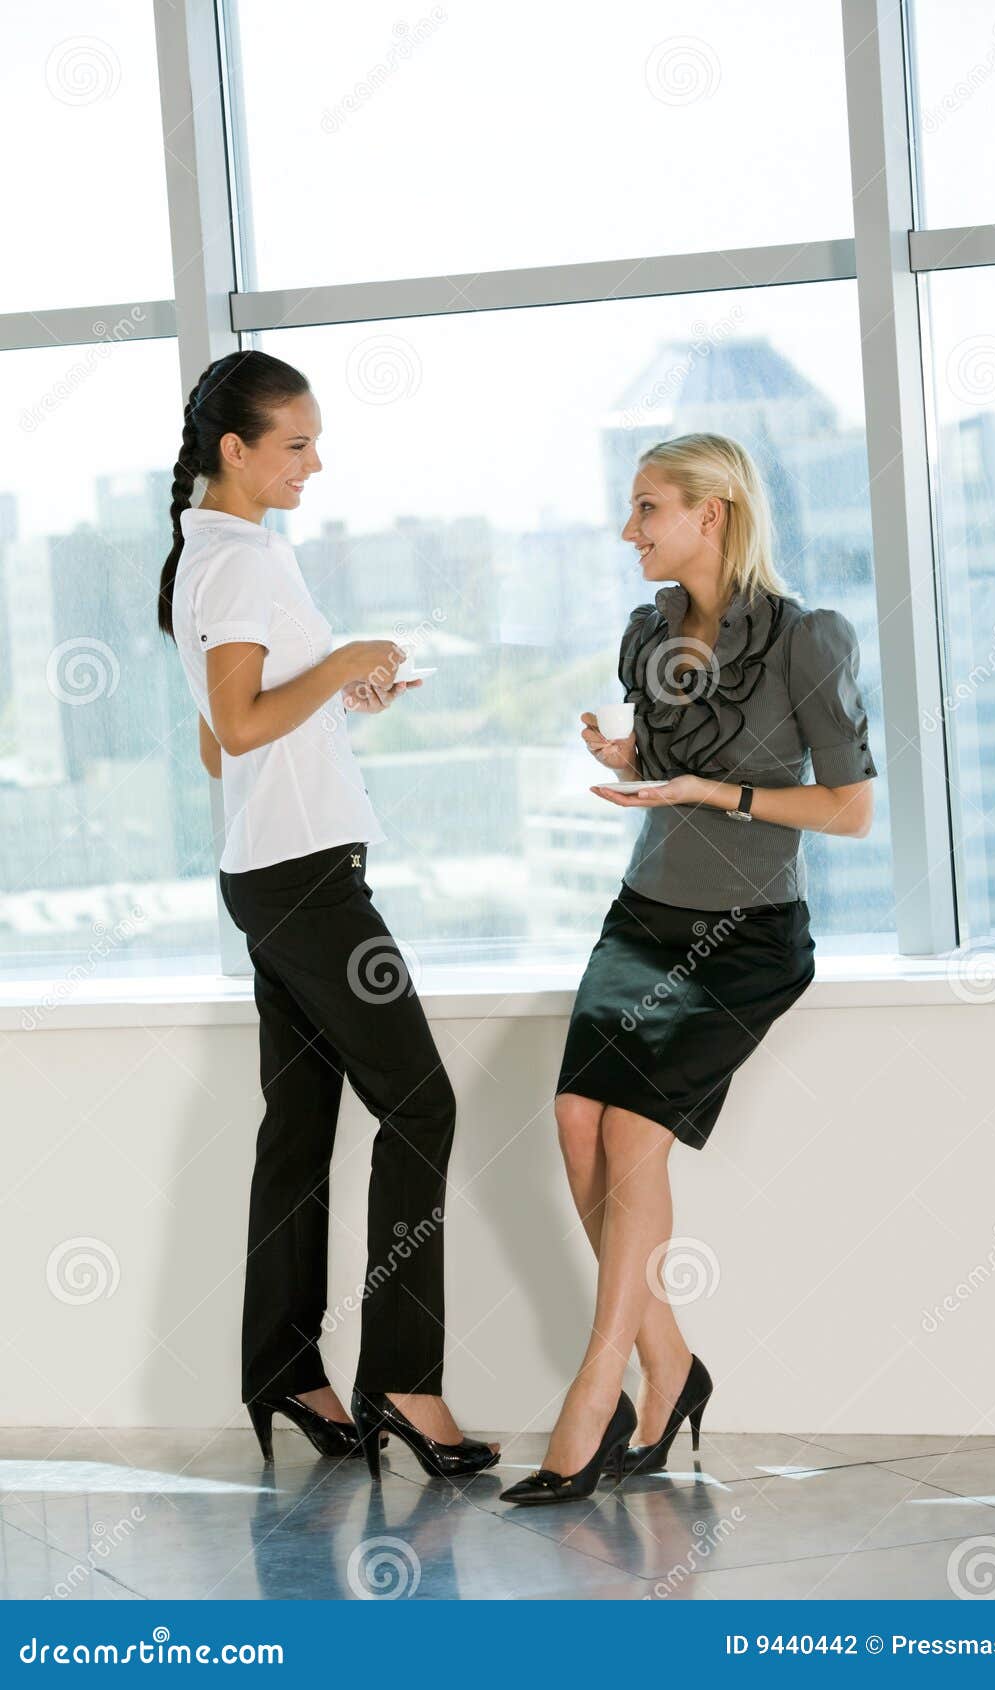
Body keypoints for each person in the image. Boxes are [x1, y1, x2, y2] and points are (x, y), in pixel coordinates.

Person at [501, 432, 878, 1505]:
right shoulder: (650, 632)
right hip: (643, 915)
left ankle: (595, 1394)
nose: (630, 531)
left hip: (745, 936)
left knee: (629, 1134)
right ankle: (668, 1364)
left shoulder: (808, 638)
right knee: (577, 1121)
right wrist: (630, 760)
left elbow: (847, 807)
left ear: (709, 516)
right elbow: (676, 765)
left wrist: (713, 794)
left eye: (647, 509)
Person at [158, 349, 498, 1480]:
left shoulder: (206, 557)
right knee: (423, 1101)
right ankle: (403, 1380)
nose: (314, 462)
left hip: (271, 867)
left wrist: (339, 694)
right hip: (304, 877)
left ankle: (284, 1369)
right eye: (294, 444)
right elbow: (241, 730)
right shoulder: (245, 559)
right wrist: (343, 657)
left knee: (299, 1128)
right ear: (235, 451)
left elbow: (225, 733)